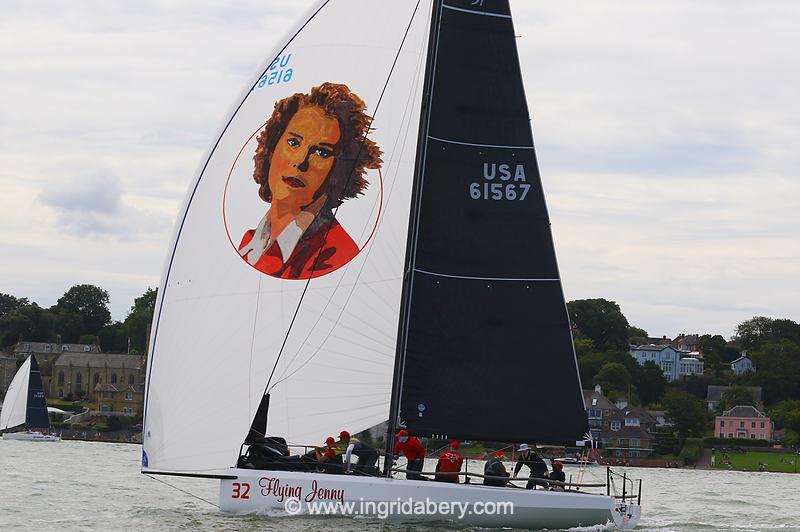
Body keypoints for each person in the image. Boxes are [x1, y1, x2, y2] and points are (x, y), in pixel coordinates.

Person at [238, 82, 383, 280]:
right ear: (272, 148)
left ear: (338, 169)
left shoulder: (336, 255)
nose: (300, 161)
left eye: (322, 152)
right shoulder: (248, 246)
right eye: (293, 143)